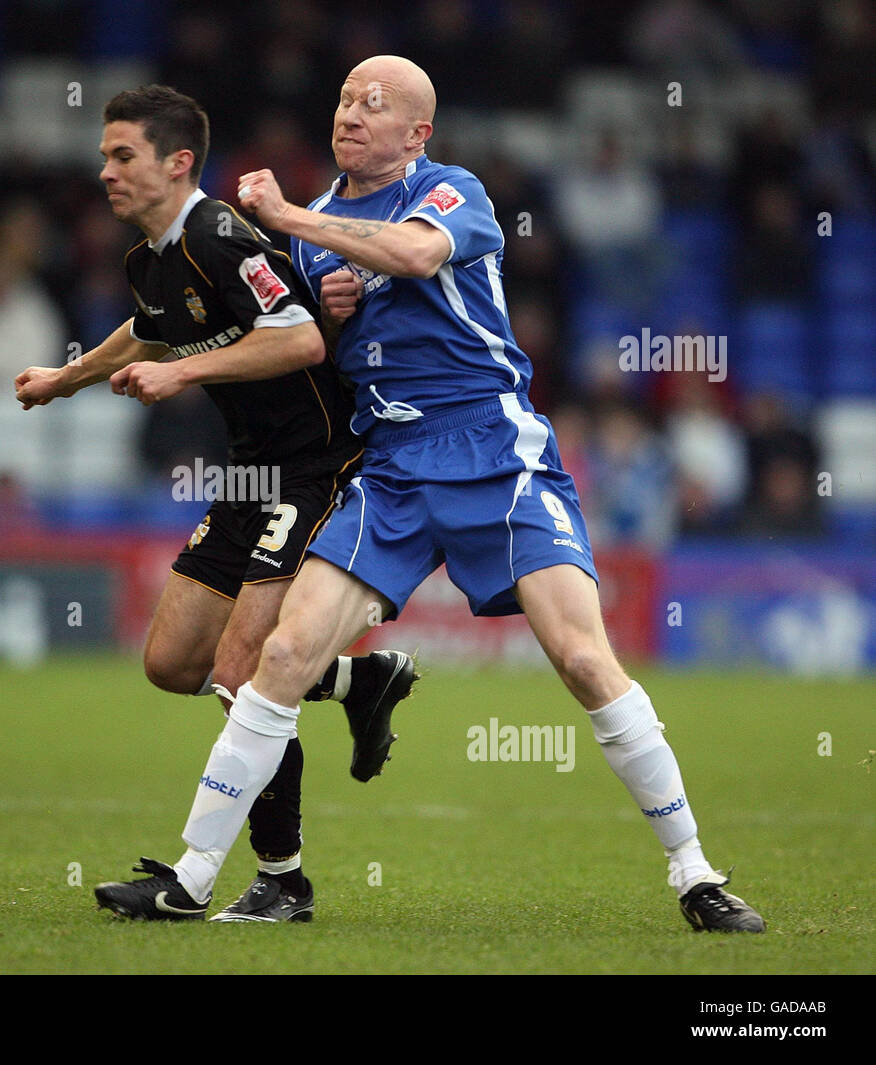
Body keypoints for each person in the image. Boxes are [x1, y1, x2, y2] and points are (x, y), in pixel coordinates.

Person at [102, 57, 764, 933]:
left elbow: (414, 253)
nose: (351, 114)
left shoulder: (452, 190)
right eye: (343, 99)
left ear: (418, 132)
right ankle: (193, 877)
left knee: (583, 659)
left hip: (494, 448)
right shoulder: (314, 230)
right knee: (282, 659)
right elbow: (312, 354)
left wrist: (292, 214)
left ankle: (696, 873)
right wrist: (330, 311)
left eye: (374, 105)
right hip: (391, 463)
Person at [14, 86, 418, 923]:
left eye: (122, 156)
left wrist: (184, 372)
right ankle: (356, 678)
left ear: (178, 163)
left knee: (240, 676)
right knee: (172, 664)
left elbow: (301, 336)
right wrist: (66, 379)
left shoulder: (220, 234)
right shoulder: (149, 258)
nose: (106, 172)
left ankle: (282, 879)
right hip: (247, 476)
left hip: (316, 467)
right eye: (104, 156)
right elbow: (149, 327)